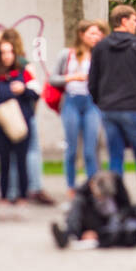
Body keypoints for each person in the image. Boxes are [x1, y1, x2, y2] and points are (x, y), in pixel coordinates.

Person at [89, 4, 136, 212]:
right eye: (133, 20)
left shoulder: (101, 47)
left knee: (115, 157)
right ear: (123, 21)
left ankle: (116, 204)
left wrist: (100, 102)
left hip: (109, 109)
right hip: (134, 107)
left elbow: (92, 80)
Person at [50, 20, 106, 192]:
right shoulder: (67, 55)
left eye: (98, 34)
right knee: (72, 148)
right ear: (82, 35)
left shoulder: (101, 56)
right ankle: (71, 186)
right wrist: (72, 77)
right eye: (92, 33)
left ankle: (92, 186)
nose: (96, 37)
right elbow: (53, 79)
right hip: (71, 101)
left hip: (91, 103)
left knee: (91, 149)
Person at [0, 37, 38, 206]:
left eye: (10, 52)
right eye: (3, 53)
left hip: (22, 122)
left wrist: (24, 90)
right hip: (2, 124)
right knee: (4, 160)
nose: (7, 56)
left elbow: (36, 92)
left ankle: (23, 195)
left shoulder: (23, 72)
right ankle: (4, 195)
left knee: (22, 159)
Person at [51, 171, 136, 249]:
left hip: (117, 218)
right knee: (77, 202)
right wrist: (83, 233)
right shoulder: (85, 189)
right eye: (100, 197)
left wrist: (119, 218)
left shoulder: (117, 181)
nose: (103, 199)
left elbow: (127, 206)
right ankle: (66, 235)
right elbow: (75, 212)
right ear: (92, 185)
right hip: (95, 221)